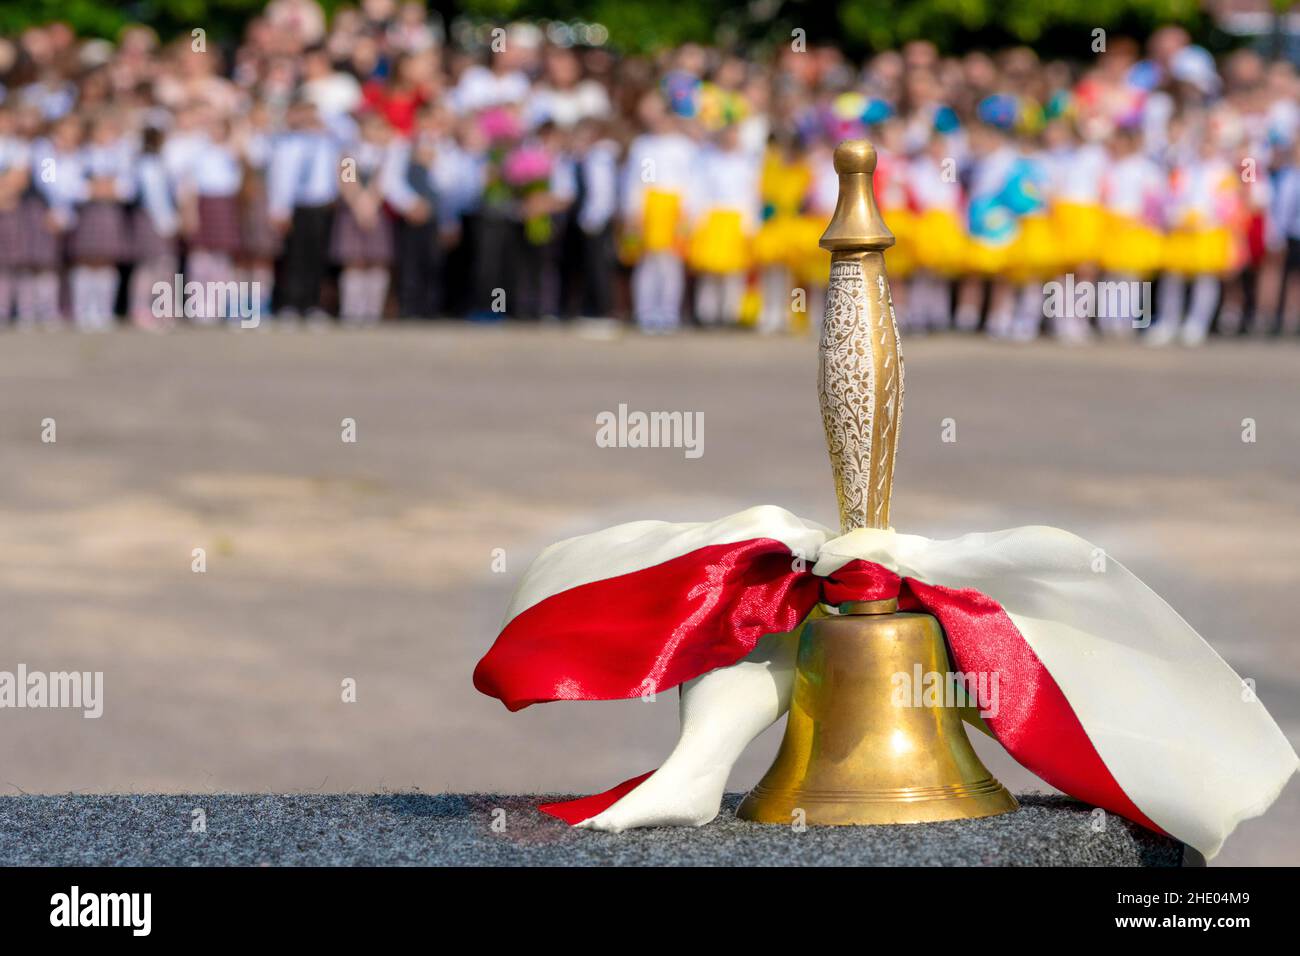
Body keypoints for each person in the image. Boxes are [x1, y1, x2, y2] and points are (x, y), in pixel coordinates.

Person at [622, 91, 695, 333]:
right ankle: (645, 312)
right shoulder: (643, 145)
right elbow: (636, 181)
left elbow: (691, 182)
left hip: (674, 209)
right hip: (649, 207)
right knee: (648, 262)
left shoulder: (684, 147)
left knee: (671, 263)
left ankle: (668, 312)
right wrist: (634, 210)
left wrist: (689, 213)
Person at [268, 97, 340, 320]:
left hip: (321, 204)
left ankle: (312, 304)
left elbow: (348, 164)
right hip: (296, 204)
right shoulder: (287, 143)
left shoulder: (330, 142)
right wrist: (278, 208)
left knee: (317, 256)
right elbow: (278, 178)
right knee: (294, 256)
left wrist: (342, 192)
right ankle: (291, 303)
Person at [687, 122, 758, 326]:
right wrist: (696, 219)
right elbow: (698, 190)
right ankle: (707, 314)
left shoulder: (746, 162)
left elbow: (751, 195)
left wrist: (750, 224)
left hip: (737, 219)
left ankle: (730, 314)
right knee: (710, 271)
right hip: (712, 218)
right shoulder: (707, 160)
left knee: (733, 272)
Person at [330, 110, 396, 323]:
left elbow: (383, 182)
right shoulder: (350, 153)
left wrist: (372, 202)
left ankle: (372, 311)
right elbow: (347, 182)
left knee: (377, 261)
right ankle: (352, 310)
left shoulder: (387, 154)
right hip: (353, 212)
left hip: (377, 212)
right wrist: (359, 203)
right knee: (354, 260)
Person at [128, 125, 179, 329]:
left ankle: (162, 309)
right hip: (152, 219)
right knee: (152, 266)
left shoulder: (157, 163)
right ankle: (143, 308)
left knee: (161, 266)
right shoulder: (148, 164)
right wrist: (166, 221)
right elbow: (155, 197)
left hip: (156, 218)